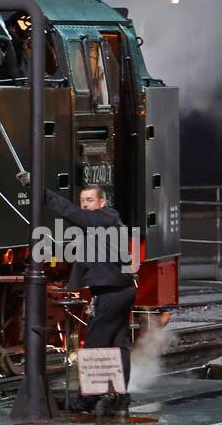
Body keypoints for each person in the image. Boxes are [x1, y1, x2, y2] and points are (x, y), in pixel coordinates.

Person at [17, 175, 139, 411]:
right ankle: (119, 394)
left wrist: (35, 187)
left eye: (90, 200)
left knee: (95, 342)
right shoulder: (106, 223)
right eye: (83, 200)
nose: (85, 205)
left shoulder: (102, 219)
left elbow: (67, 211)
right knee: (117, 343)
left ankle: (88, 398)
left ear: (102, 202)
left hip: (110, 293)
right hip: (122, 290)